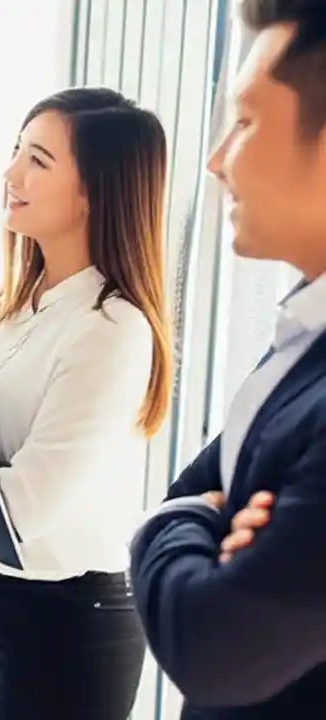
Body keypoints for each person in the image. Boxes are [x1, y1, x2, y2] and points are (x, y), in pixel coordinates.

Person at [0, 87, 173, 720]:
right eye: (16, 152)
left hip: (66, 624)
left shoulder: (111, 329)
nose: (11, 174)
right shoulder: (6, 307)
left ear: (95, 191)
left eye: (38, 161)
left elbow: (27, 507)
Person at [129, 1, 326, 715]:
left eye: (243, 122)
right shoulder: (304, 333)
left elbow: (215, 645)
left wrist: (168, 526)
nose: (215, 160)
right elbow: (197, 486)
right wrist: (209, 517)